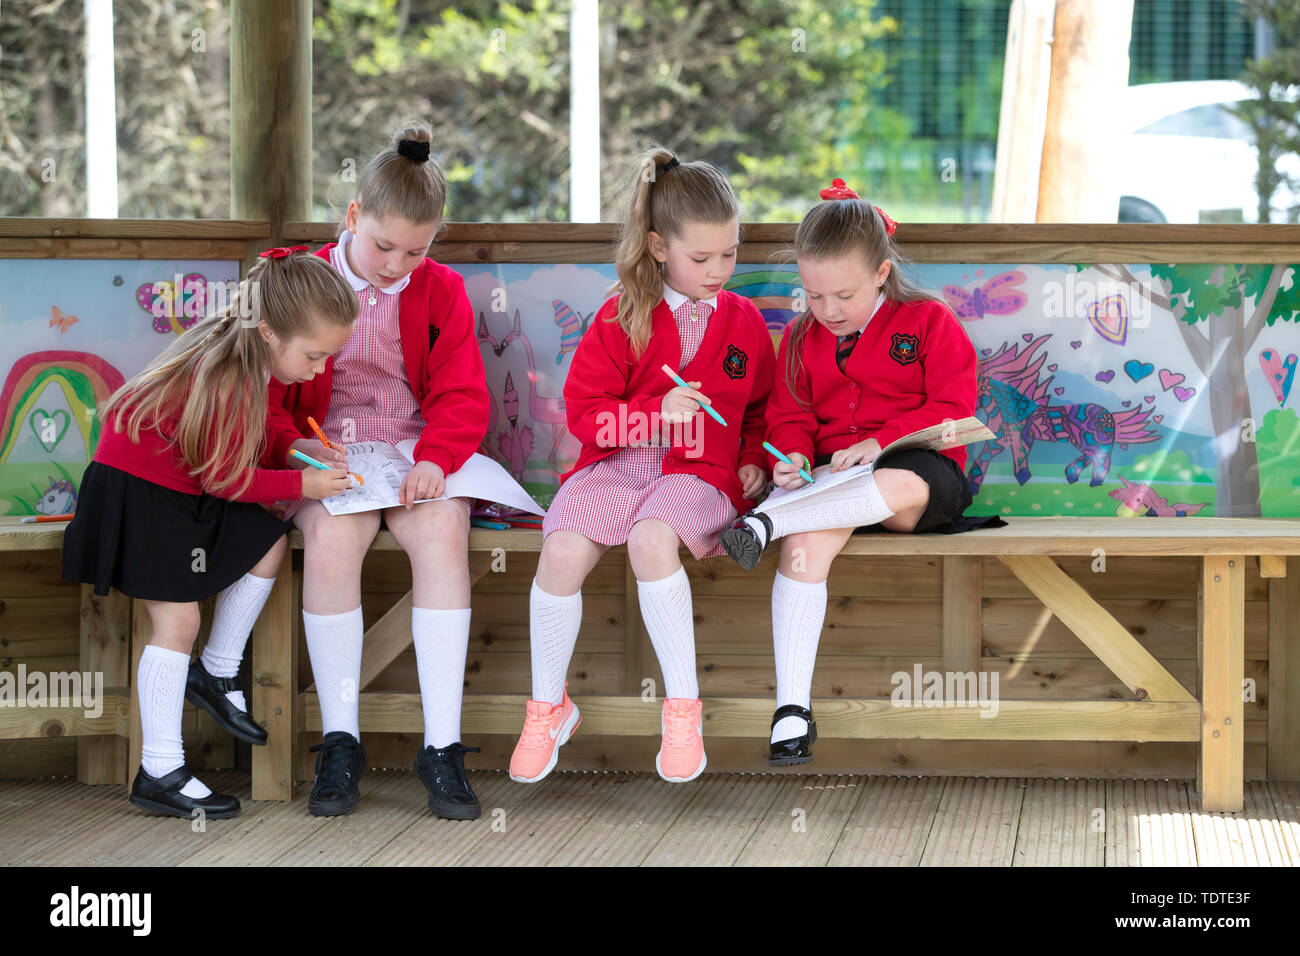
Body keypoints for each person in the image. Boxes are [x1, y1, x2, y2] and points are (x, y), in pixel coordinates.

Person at [509, 148, 774, 785]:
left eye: (729, 255)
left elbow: (762, 412)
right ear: (658, 246)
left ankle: (682, 708)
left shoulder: (744, 325)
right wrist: (655, 414)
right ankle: (548, 705)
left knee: (652, 540)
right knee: (563, 550)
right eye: (701, 258)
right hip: (617, 463)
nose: (719, 271)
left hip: (700, 475)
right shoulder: (621, 314)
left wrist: (753, 462)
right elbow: (585, 416)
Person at [63, 248, 357, 818]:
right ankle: (160, 770)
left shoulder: (252, 358)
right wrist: (306, 488)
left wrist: (302, 450)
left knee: (265, 538)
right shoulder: (224, 376)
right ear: (271, 331)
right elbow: (227, 480)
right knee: (178, 621)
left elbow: (267, 431)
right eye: (315, 356)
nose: (320, 370)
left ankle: (216, 672)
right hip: (142, 494)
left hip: (182, 488)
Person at [266, 124, 490, 819]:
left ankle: (443, 746)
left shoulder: (442, 291)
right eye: (384, 246)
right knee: (332, 543)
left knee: (444, 534)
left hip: (410, 447)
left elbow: (461, 394)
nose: (397, 264)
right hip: (323, 444)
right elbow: (266, 395)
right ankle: (340, 740)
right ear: (353, 217)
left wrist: (435, 461)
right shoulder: (303, 280)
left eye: (416, 251)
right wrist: (298, 452)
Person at [719, 178, 983, 767]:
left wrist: (880, 440)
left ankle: (765, 522)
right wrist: (786, 460)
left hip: (919, 473)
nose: (828, 311)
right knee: (806, 548)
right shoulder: (797, 339)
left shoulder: (928, 321)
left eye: (843, 295)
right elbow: (788, 419)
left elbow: (954, 410)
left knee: (895, 482)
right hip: (829, 485)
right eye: (814, 297)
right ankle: (792, 711)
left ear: (882, 273)